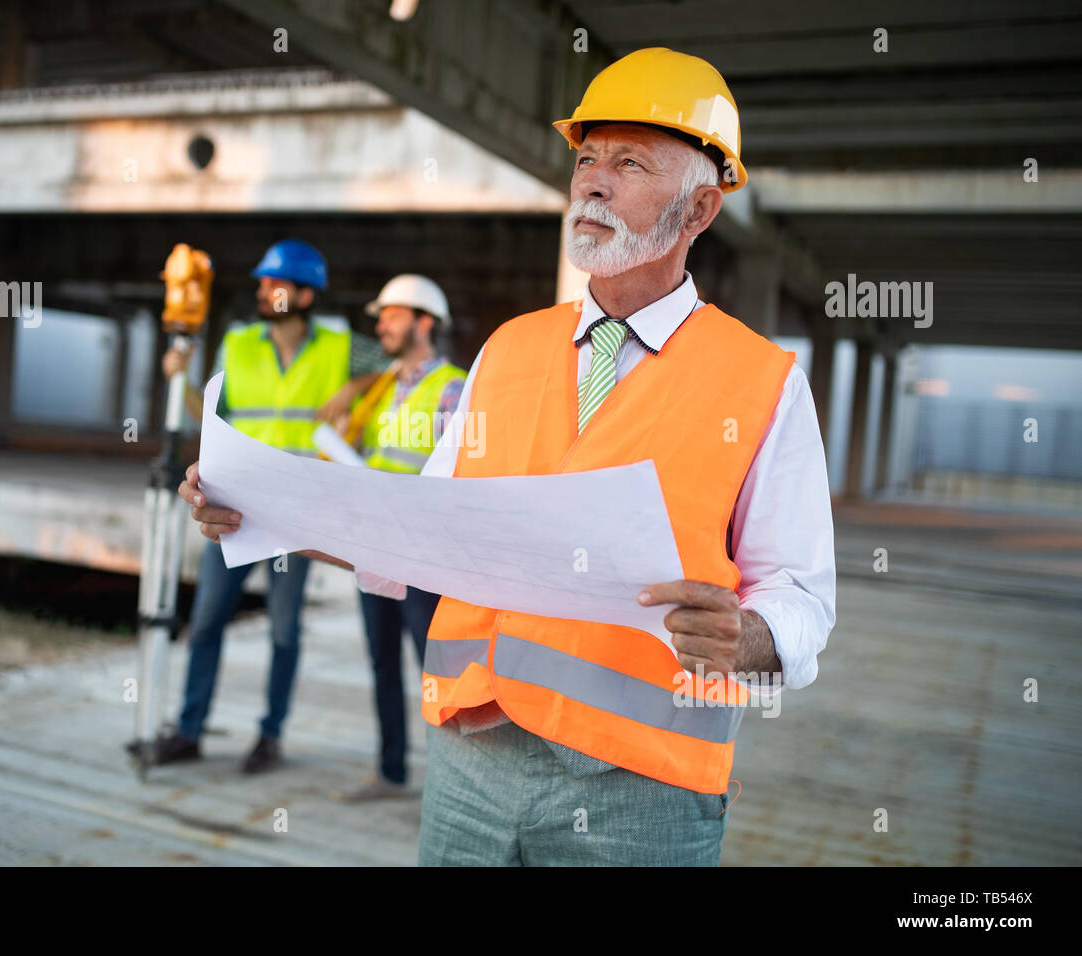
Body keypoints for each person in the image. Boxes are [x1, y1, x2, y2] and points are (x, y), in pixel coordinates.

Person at [179, 47, 835, 865]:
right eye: (587, 158)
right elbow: (416, 540)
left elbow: (803, 596)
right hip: (468, 769)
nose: (592, 182)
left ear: (700, 209)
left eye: (628, 163)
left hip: (645, 793)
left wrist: (747, 638)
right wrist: (263, 511)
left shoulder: (763, 383)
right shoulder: (509, 350)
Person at [145, 238, 387, 773]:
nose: (263, 290)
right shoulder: (238, 343)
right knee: (207, 620)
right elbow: (210, 417)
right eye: (262, 282)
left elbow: (393, 367)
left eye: (274, 283)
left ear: (304, 294)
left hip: (299, 516)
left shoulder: (340, 344)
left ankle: (269, 737)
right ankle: (189, 730)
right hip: (235, 509)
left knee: (283, 630)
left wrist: (352, 391)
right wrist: (178, 378)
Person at [334, 276, 466, 801]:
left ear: (424, 321)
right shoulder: (382, 386)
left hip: (423, 560)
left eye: (392, 314)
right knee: (382, 662)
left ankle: (453, 787)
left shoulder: (452, 388)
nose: (381, 324)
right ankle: (390, 773)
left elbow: (460, 477)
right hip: (374, 552)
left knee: (436, 672)